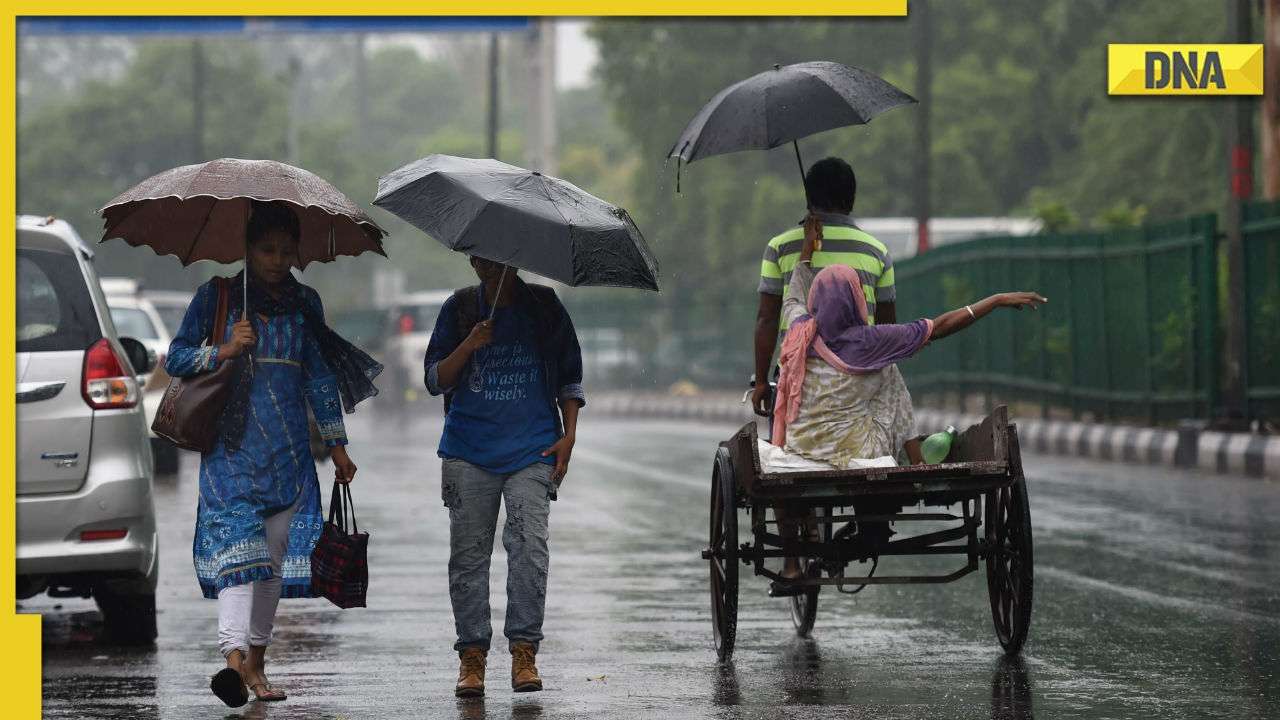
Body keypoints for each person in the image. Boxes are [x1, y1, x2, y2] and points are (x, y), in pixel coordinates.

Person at [166, 200, 380, 707]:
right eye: (267, 250)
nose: (278, 260)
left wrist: (338, 445)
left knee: (272, 565)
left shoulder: (305, 303)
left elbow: (320, 379)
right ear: (247, 249)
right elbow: (175, 357)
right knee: (240, 557)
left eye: (287, 251)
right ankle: (233, 661)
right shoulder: (217, 297)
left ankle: (255, 663)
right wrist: (222, 349)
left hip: (289, 456)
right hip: (231, 454)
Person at [769, 213, 1046, 588]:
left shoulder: (800, 330)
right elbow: (941, 326)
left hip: (803, 447)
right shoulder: (874, 341)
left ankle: (793, 562)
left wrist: (808, 247)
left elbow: (793, 294)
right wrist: (994, 301)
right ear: (856, 300)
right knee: (889, 372)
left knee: (884, 372)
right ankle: (916, 461)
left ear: (816, 302)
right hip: (859, 452)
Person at [423, 256, 585, 698]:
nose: (490, 267)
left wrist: (569, 436)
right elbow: (435, 380)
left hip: (533, 450)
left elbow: (570, 377)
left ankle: (524, 652)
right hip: (467, 451)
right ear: (472, 260)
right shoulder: (459, 308)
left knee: (529, 548)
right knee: (468, 558)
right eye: (482, 260)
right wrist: (469, 344)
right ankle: (472, 658)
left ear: (516, 259)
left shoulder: (546, 307)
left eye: (500, 262)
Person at [752, 157, 897, 417]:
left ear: (809, 197)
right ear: (851, 199)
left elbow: (767, 319)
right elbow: (886, 327)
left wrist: (761, 381)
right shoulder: (877, 252)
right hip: (858, 380)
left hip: (797, 382)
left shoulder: (780, 248)